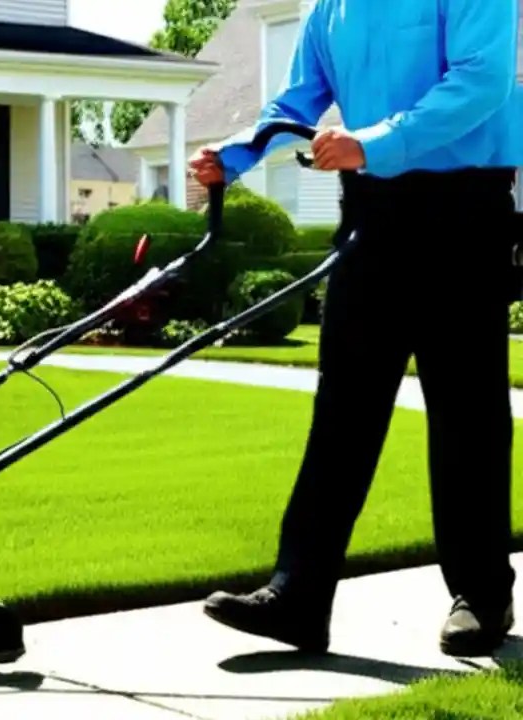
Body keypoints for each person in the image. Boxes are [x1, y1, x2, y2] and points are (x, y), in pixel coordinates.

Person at [191, 0, 522, 657]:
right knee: (341, 412)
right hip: (371, 214)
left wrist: (372, 142)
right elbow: (295, 103)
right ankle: (299, 595)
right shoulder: (330, 9)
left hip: (464, 211)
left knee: (466, 414)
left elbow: (480, 82)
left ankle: (482, 597)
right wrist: (234, 158)